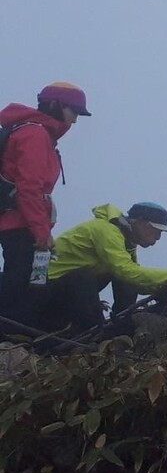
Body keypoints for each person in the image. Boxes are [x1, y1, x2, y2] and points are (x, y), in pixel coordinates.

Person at [30, 202, 167, 341]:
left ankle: (121, 320)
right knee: (89, 275)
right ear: (139, 222)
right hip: (45, 294)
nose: (158, 237)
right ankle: (95, 332)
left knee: (121, 274)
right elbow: (126, 271)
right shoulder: (106, 231)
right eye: (155, 230)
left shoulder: (125, 239)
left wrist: (162, 287)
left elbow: (133, 277)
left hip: (65, 293)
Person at [0, 82, 90, 311]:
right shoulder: (36, 134)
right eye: (73, 111)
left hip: (18, 219)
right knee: (20, 278)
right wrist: (41, 233)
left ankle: (20, 330)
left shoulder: (30, 130)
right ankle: (12, 332)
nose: (75, 120)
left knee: (26, 276)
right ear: (54, 105)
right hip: (19, 221)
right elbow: (29, 188)